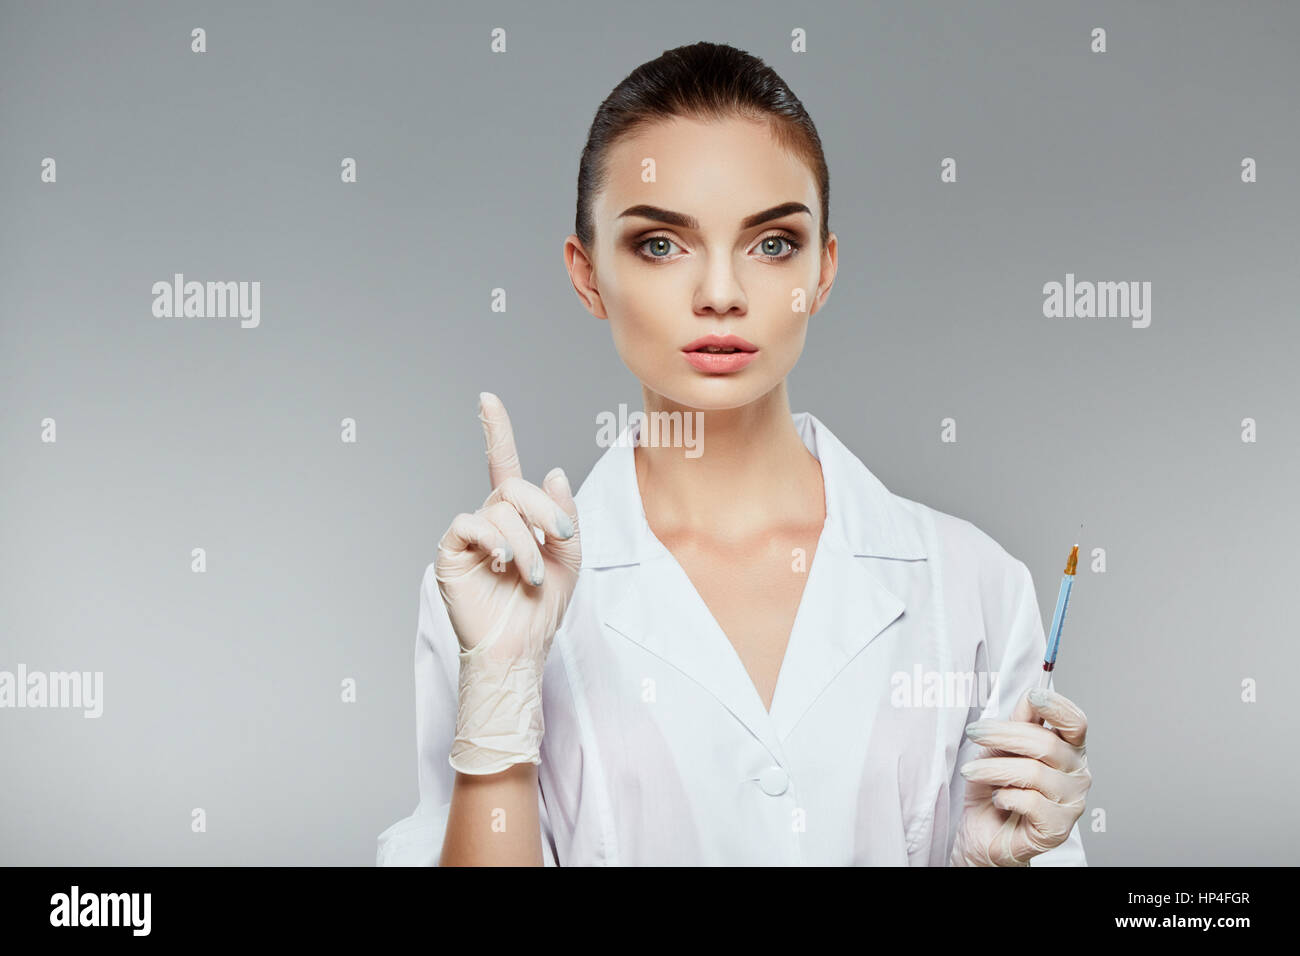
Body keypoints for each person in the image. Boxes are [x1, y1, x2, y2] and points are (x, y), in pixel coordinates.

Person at [377, 41, 1091, 866]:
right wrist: (499, 701)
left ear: (823, 270)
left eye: (772, 243)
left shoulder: (973, 587)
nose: (721, 291)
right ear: (587, 275)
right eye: (660, 244)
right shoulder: (497, 588)